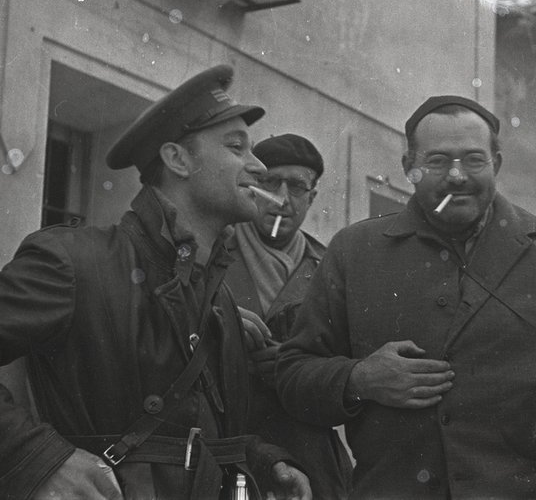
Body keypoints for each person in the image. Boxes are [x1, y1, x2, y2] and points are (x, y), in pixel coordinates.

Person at [276, 95, 536, 499]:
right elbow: (293, 374)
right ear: (409, 168)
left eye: (473, 159)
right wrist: (360, 379)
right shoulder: (355, 252)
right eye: (437, 161)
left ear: (496, 165)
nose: (457, 176)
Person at [0, 65, 311, 500]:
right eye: (236, 147)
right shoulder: (72, 261)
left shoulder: (218, 299)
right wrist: (37, 459)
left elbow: (188, 431)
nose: (258, 166)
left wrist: (262, 460)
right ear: (177, 160)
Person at [226, 133, 353, 499]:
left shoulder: (330, 267)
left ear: (311, 198)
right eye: (270, 182)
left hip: (307, 453)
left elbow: (349, 367)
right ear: (251, 186)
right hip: (224, 444)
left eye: (297, 187)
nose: (282, 198)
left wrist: (299, 366)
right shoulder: (211, 250)